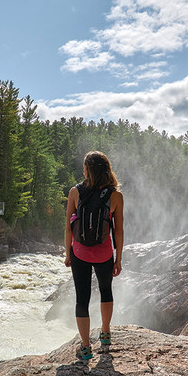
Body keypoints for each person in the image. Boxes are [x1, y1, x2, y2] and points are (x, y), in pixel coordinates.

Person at [64, 151, 124, 361]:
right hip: (104, 253)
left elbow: (68, 227)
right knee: (106, 291)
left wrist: (68, 253)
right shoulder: (115, 195)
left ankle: (86, 347)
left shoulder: (75, 191)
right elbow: (118, 230)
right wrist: (118, 259)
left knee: (82, 299)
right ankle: (105, 334)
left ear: (87, 170)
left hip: (79, 252)